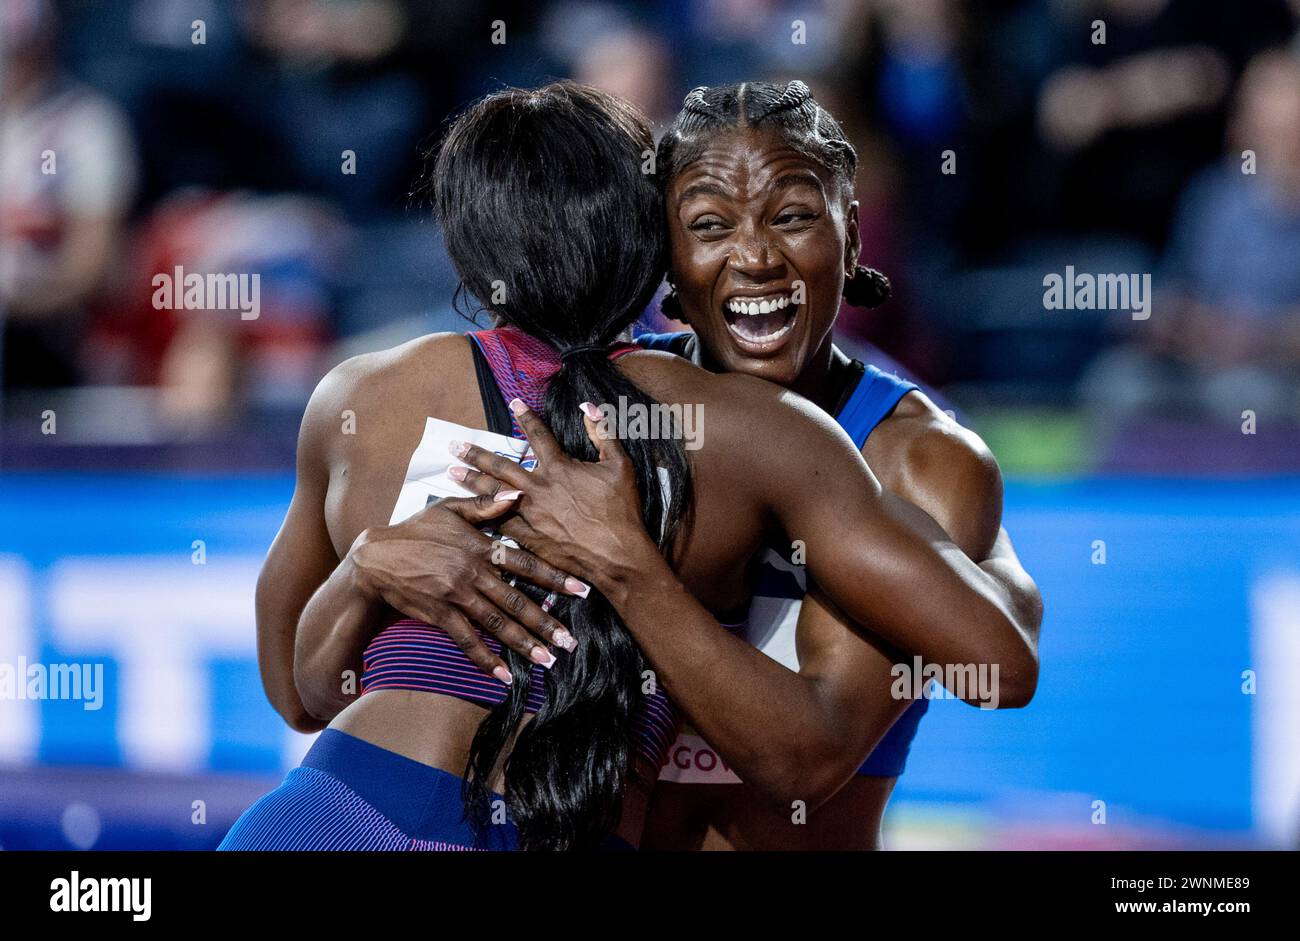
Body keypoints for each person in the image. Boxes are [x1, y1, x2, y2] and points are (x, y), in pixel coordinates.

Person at [227, 82, 1025, 852]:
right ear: (661, 245)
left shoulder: (363, 393)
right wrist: (365, 569)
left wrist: (625, 564)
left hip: (330, 812)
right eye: (711, 224)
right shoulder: (761, 432)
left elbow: (302, 695)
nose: (753, 256)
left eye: (790, 217)